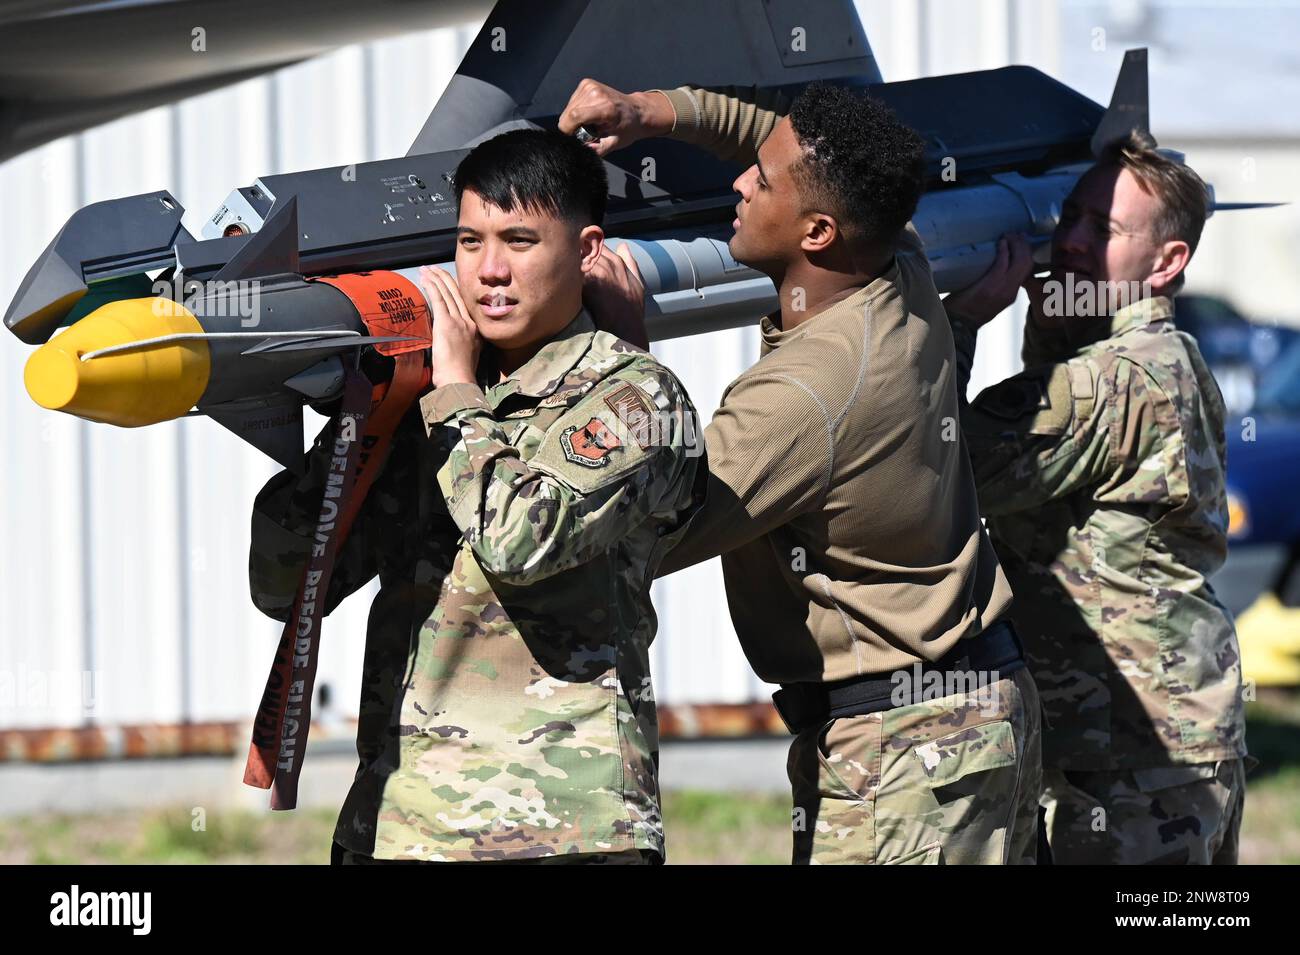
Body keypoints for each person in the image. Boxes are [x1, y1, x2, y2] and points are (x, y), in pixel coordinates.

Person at [561, 79, 1041, 864]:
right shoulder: (900, 264)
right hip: (981, 712)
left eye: (762, 179)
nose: (739, 181)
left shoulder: (805, 394)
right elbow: (780, 138)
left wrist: (623, 348)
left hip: (901, 752)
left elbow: (657, 516)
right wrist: (647, 112)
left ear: (817, 231)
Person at [249, 128, 704, 864]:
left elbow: (520, 541)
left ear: (586, 250)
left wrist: (455, 393)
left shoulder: (636, 396)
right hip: (399, 826)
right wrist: (359, 417)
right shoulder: (425, 401)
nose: (490, 270)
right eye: (470, 241)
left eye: (520, 240)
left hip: (565, 827)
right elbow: (287, 583)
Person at [941, 132, 1249, 864]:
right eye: (1069, 218)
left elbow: (938, 460)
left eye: (1102, 230)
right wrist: (1049, 334)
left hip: (1131, 750)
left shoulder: (1114, 378)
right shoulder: (1159, 357)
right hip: (1159, 732)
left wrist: (957, 323)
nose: (1070, 243)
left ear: (1167, 261)